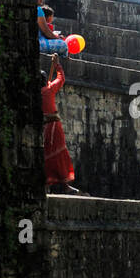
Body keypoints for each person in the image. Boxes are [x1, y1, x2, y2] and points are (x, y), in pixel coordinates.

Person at [40, 55, 79, 194]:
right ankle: (64, 185)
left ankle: (48, 185)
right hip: (53, 127)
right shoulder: (48, 90)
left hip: (44, 127)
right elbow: (61, 78)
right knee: (60, 154)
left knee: (46, 155)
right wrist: (57, 65)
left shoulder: (41, 92)